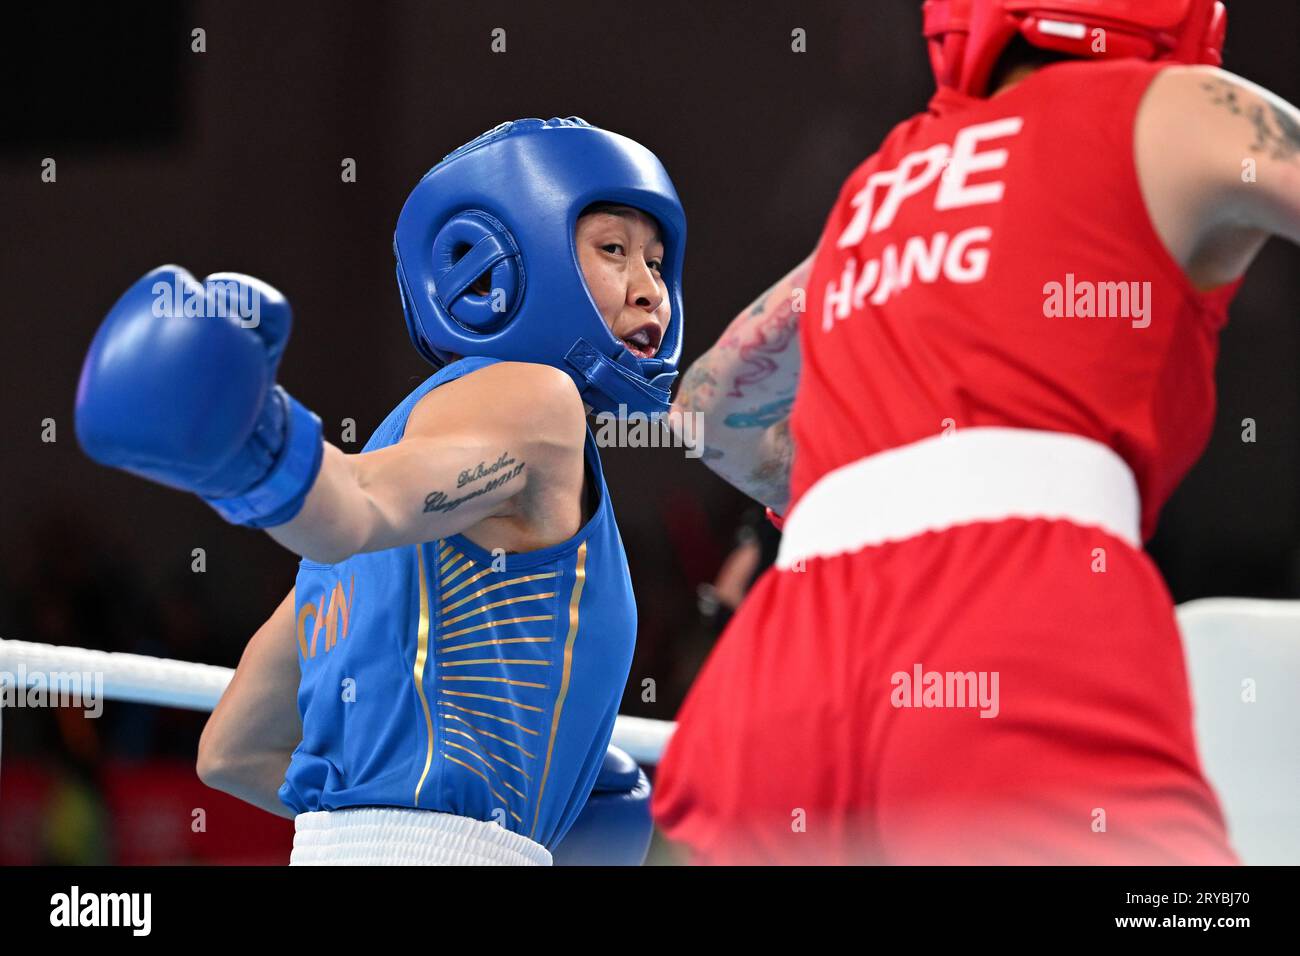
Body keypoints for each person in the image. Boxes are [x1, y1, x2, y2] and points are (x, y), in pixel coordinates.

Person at [655, 0, 1299, 863]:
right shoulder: (1169, 107)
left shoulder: (882, 184)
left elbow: (709, 406)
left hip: (782, 671)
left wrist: (875, 488)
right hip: (1011, 623)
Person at [75, 117, 684, 865]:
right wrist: (250, 447)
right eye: (613, 249)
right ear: (492, 266)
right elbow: (358, 508)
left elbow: (232, 750)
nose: (650, 289)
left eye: (657, 262)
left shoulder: (375, 483)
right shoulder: (540, 405)